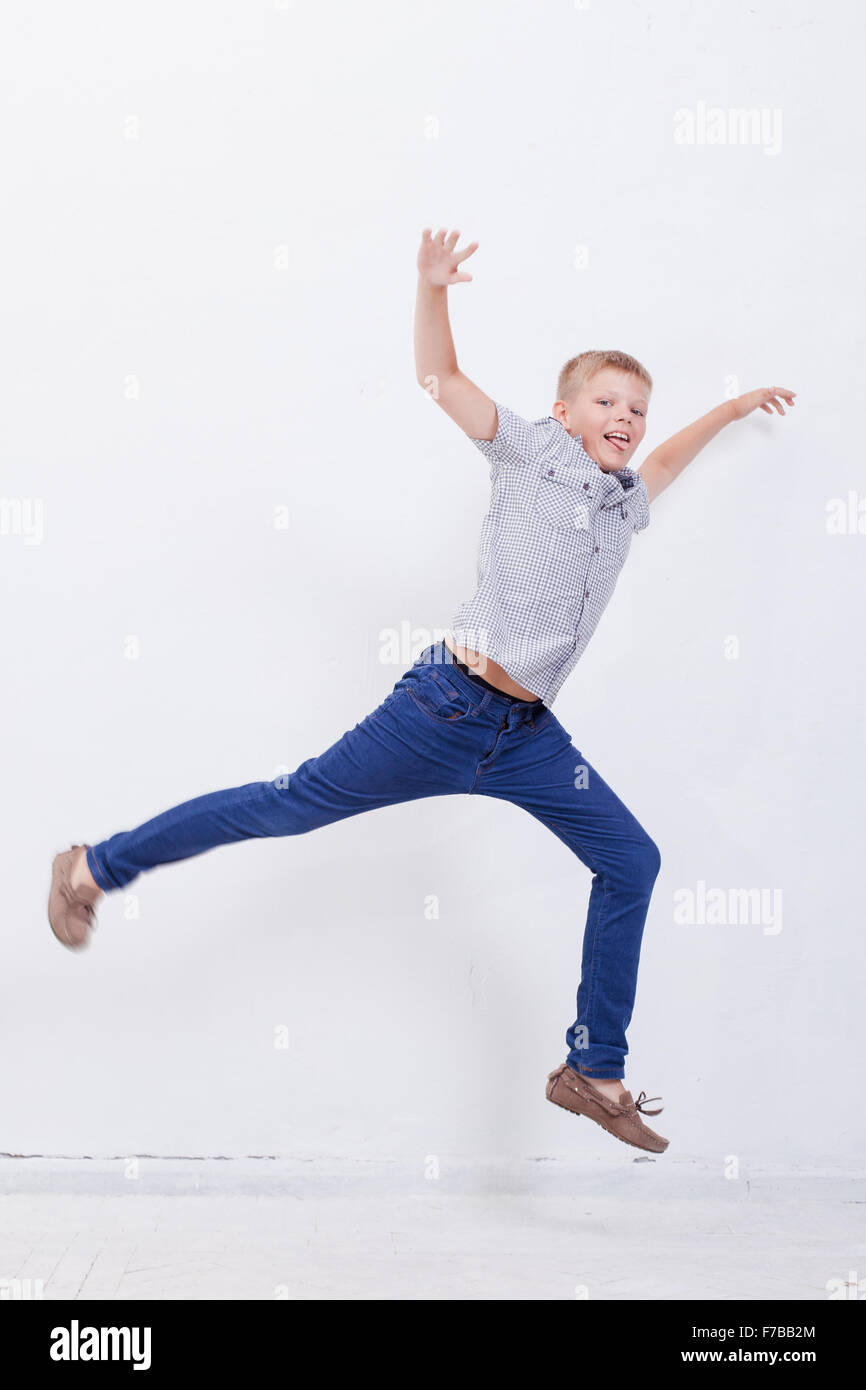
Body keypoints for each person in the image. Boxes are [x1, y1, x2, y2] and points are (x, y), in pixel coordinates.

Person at [48, 227, 796, 1154]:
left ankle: (593, 1069)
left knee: (631, 861)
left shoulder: (622, 503)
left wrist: (727, 409)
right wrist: (432, 289)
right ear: (564, 411)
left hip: (528, 739)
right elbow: (440, 380)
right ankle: (94, 866)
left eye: (638, 408)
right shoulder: (528, 452)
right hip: (443, 710)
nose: (628, 417)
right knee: (287, 808)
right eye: (608, 400)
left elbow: (668, 465)